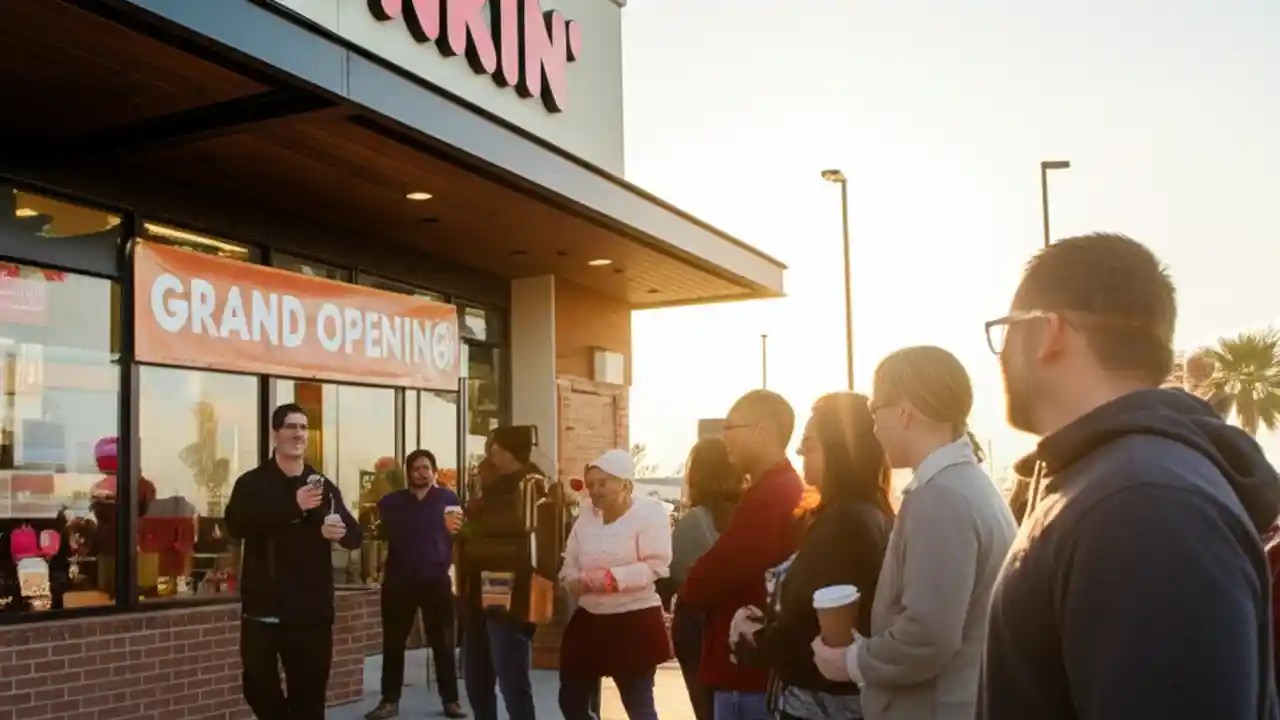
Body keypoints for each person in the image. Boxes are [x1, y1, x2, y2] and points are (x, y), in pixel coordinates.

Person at [979, 233, 1280, 719]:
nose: (999, 354)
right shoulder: (1111, 485)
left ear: (1048, 332)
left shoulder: (1144, 505)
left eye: (1005, 329)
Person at [810, 347, 1016, 720]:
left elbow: (927, 637)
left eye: (875, 411)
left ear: (903, 412)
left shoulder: (940, 498)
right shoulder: (971, 487)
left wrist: (851, 661)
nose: (873, 428)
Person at [733, 393, 894, 720]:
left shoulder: (845, 524)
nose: (801, 453)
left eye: (809, 444)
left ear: (839, 449)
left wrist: (751, 638)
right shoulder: (869, 514)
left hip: (821, 703)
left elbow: (806, 622)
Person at [225, 403, 362, 720]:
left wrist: (338, 531)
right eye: (290, 427)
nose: (298, 434)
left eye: (303, 427)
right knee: (257, 685)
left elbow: (354, 535)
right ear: (275, 434)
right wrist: (292, 504)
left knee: (310, 700)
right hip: (263, 611)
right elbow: (236, 526)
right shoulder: (252, 484)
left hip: (310, 614)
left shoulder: (321, 485)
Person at [680, 390, 804, 720]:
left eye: (731, 428)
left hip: (747, 678)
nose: (724, 438)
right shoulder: (773, 489)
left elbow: (706, 580)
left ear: (761, 431)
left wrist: (694, 580)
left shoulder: (773, 495)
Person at [558, 449, 673, 719]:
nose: (595, 491)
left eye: (603, 483)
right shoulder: (587, 517)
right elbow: (569, 558)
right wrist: (571, 579)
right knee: (571, 700)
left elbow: (656, 564)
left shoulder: (649, 513)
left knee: (638, 703)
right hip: (590, 618)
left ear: (625, 484)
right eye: (591, 485)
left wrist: (612, 579)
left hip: (633, 619)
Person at [365, 449, 468, 720]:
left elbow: (460, 537)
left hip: (436, 580)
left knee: (443, 643)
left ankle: (451, 701)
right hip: (399, 581)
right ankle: (389, 701)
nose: (421, 473)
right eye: (416, 468)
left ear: (433, 471)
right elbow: (378, 532)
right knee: (393, 643)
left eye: (426, 468)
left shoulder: (448, 500)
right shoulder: (391, 503)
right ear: (408, 472)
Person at [461, 426, 541, 720]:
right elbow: (471, 533)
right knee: (476, 680)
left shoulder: (533, 486)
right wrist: (460, 527)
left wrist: (475, 530)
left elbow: (531, 543)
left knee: (512, 682)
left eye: (493, 449)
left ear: (509, 452)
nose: (488, 455)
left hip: (509, 593)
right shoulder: (485, 487)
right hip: (476, 590)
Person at [666, 438, 745, 720]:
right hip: (740, 629)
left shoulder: (694, 522)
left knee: (707, 710)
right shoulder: (748, 516)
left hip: (698, 630)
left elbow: (676, 578)